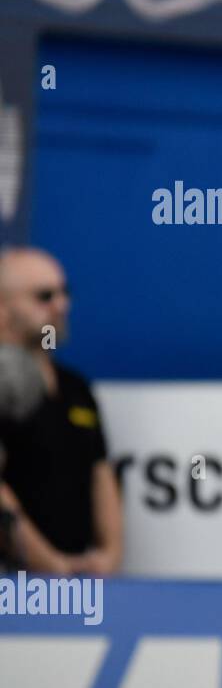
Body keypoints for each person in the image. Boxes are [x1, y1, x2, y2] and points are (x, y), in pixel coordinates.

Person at [0, 247, 123, 576]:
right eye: (44, 296)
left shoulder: (76, 389)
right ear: (2, 308)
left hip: (74, 589)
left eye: (64, 293)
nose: (61, 305)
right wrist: (51, 565)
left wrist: (108, 556)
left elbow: (101, 475)